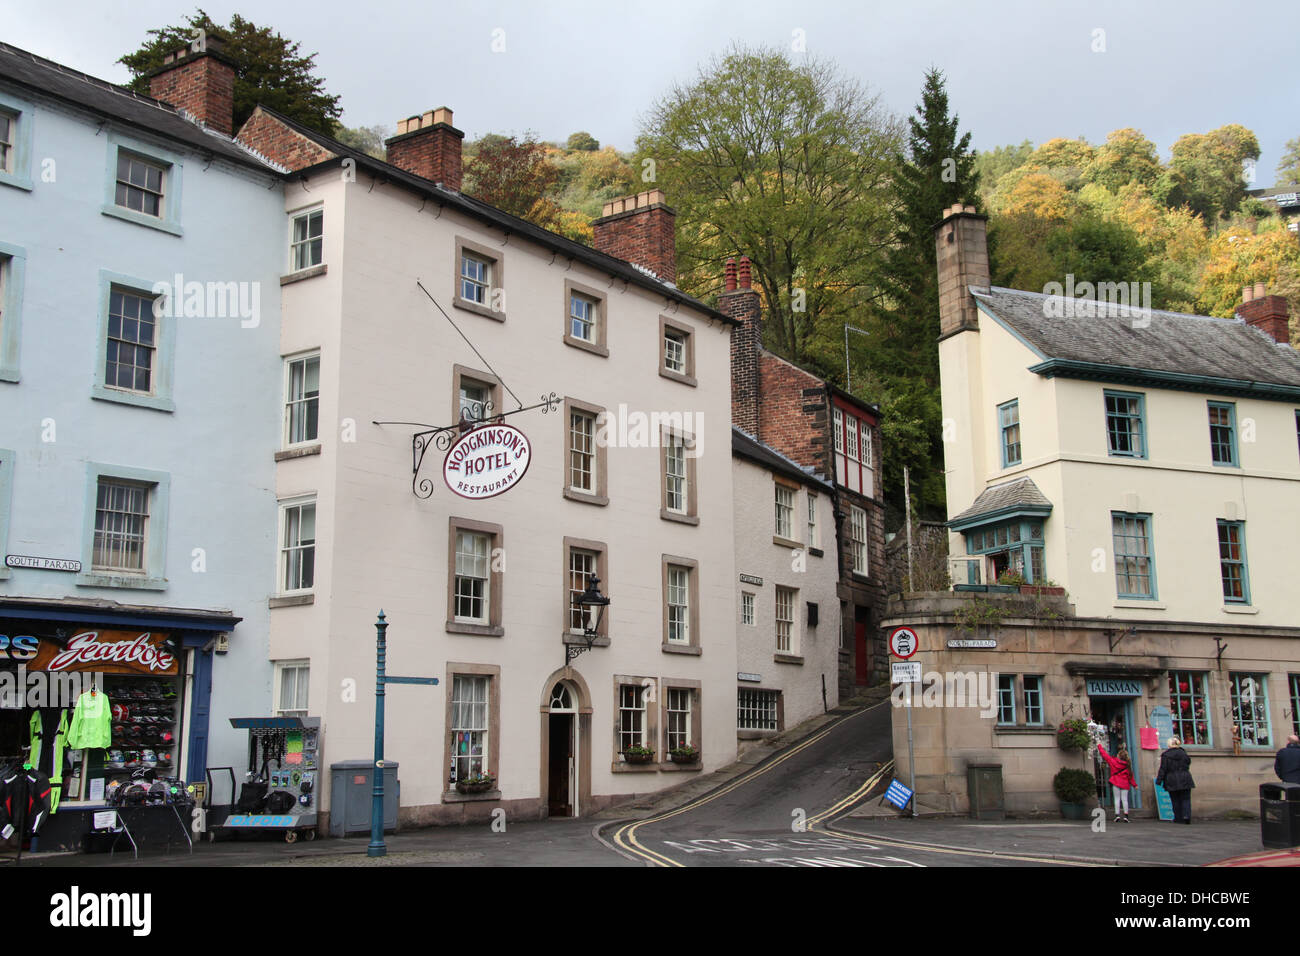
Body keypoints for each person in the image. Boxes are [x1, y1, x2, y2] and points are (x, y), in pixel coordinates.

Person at [1156, 736, 1194, 824]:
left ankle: (1178, 817)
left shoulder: (1166, 755)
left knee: (1175, 799)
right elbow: (1188, 763)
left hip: (1171, 778)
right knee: (1186, 799)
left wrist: (1159, 780)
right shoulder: (1183, 753)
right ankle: (1186, 815)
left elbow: (1163, 769)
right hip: (1185, 777)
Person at [1098, 743, 1135, 822]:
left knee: (1117, 799)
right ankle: (1126, 815)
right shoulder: (1127, 765)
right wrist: (1134, 785)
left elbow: (1105, 755)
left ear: (1119, 756)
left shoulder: (1113, 761)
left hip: (1116, 782)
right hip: (1124, 783)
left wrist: (1099, 746)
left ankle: (1117, 815)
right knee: (1125, 799)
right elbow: (1130, 776)